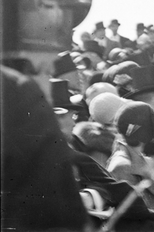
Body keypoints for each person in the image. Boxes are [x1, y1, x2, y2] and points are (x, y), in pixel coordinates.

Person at [1, 65, 89, 231]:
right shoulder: (17, 91)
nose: (71, 121)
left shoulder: (79, 149)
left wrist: (90, 196)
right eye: (60, 115)